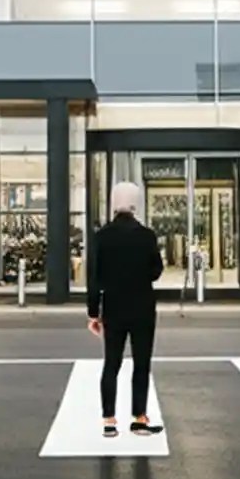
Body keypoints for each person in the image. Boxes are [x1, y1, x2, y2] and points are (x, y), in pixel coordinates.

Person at [87, 180, 165, 439]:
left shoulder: (102, 237)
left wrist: (93, 313)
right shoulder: (147, 236)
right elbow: (157, 271)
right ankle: (139, 418)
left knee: (112, 363)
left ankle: (109, 420)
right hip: (142, 306)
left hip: (113, 307)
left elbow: (94, 277)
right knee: (141, 364)